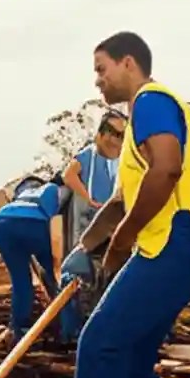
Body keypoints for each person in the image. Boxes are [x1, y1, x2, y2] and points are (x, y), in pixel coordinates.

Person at [71, 32, 190, 378]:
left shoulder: (151, 101)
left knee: (99, 346)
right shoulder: (138, 125)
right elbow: (121, 202)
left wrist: (122, 240)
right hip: (180, 248)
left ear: (128, 63)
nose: (97, 80)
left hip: (175, 243)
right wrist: (83, 248)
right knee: (134, 364)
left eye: (100, 69)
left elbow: (166, 170)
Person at [58, 110, 126, 342]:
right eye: (115, 134)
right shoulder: (88, 155)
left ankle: (103, 332)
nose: (118, 140)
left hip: (112, 231)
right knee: (77, 277)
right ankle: (72, 334)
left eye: (122, 135)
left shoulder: (119, 162)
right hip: (90, 232)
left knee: (108, 282)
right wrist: (87, 197)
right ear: (102, 133)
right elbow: (68, 175)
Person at [0, 175, 63, 342]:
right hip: (37, 223)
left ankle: (18, 330)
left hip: (3, 221)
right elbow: (57, 219)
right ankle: (65, 328)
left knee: (21, 281)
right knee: (56, 276)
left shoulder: (20, 196)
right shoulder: (52, 189)